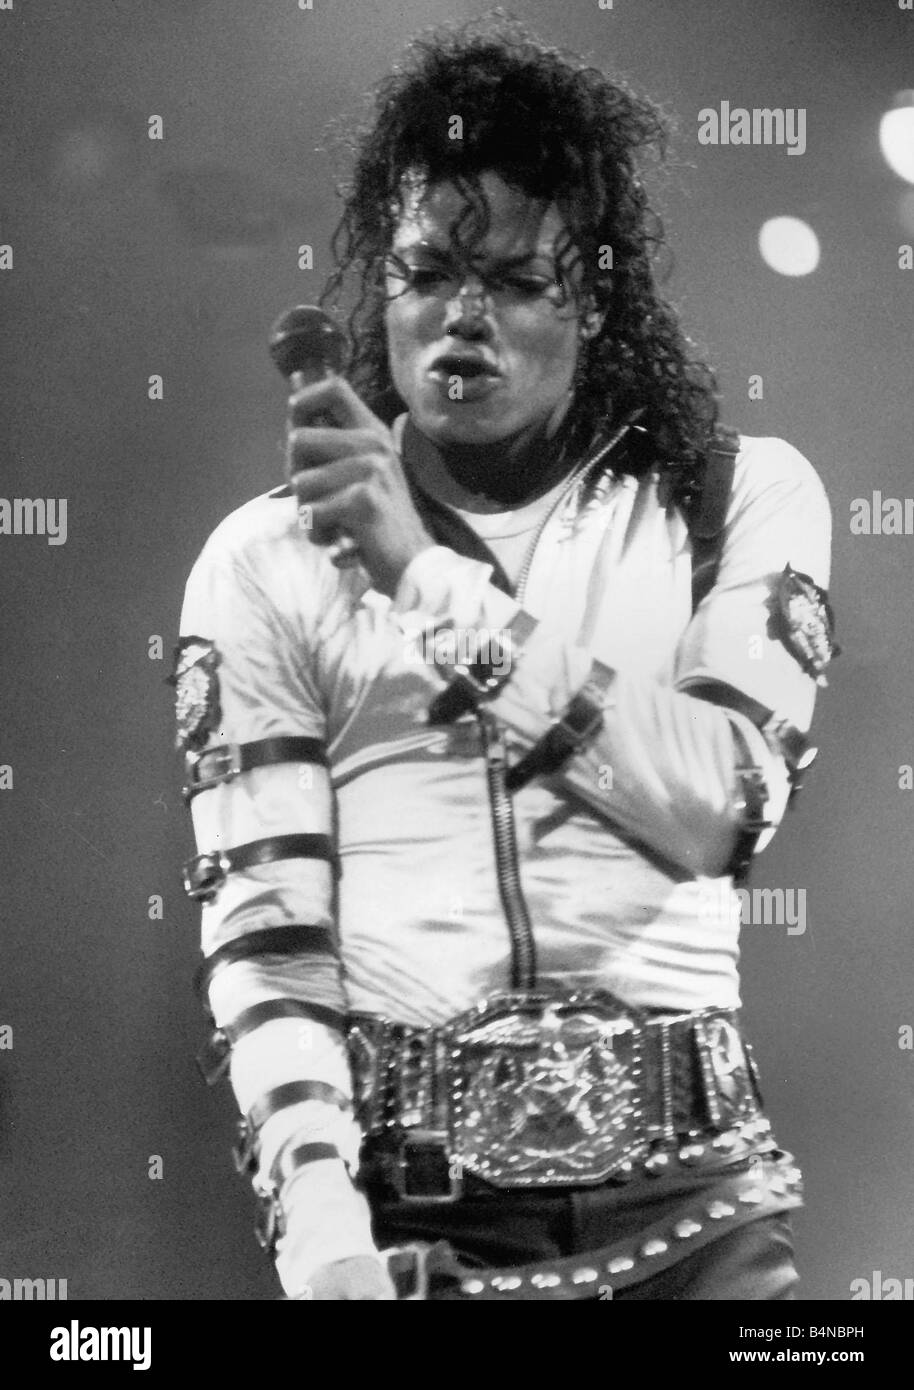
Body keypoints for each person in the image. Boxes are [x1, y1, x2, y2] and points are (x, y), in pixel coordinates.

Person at [172, 19, 838, 1301]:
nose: (460, 320)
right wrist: (318, 1231)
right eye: (425, 272)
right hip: (413, 1227)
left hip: (697, 1219)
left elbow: (716, 808)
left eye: (514, 280)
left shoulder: (734, 497)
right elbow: (268, 945)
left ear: (591, 293)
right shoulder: (261, 561)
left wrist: (422, 578)